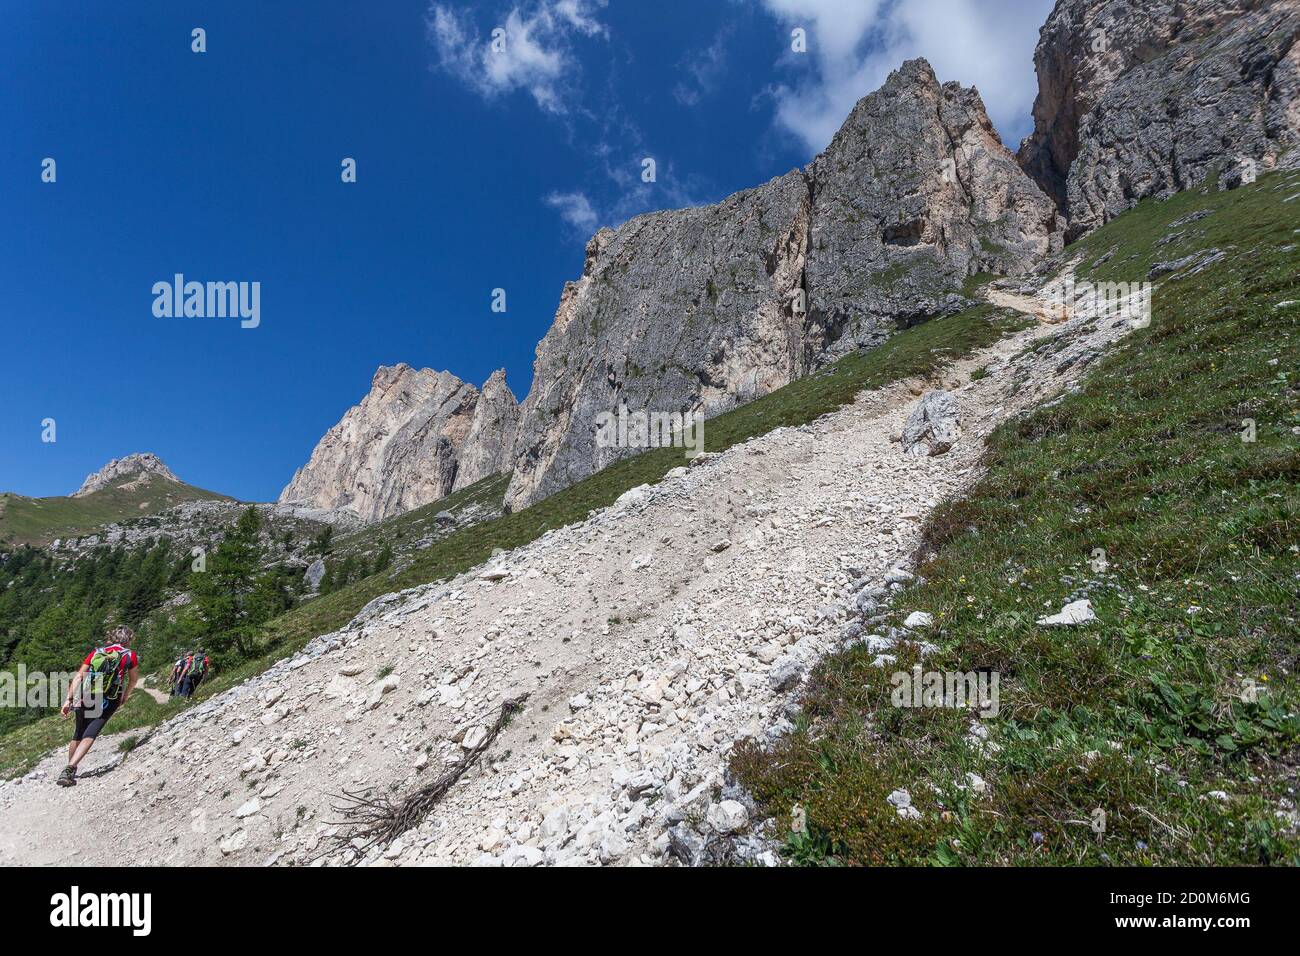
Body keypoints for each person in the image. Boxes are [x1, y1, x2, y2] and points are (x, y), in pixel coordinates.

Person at [57, 625, 140, 787]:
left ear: (113, 637)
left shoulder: (97, 652)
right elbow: (134, 679)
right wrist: (125, 695)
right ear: (129, 639)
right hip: (109, 698)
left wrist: (68, 699)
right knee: (91, 732)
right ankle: (69, 768)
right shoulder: (129, 655)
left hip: (85, 695)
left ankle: (70, 769)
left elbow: (80, 676)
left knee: (78, 732)